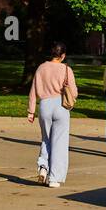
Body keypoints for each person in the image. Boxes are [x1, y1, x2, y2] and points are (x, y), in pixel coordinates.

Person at [27, 41, 78, 187]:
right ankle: (54, 178)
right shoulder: (66, 69)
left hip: (45, 105)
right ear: (63, 55)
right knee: (59, 143)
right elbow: (73, 92)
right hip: (61, 105)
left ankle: (43, 167)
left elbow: (33, 91)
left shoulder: (41, 68)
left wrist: (31, 111)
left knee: (46, 139)